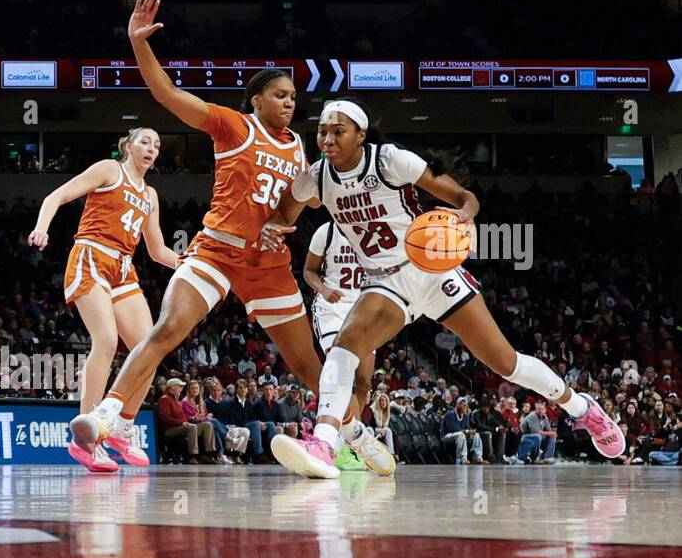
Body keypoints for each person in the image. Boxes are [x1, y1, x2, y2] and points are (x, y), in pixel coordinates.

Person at [68, 0, 392, 477]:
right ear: (257, 99)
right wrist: (138, 44)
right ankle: (107, 414)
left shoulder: (301, 147)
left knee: (308, 367)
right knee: (167, 330)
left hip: (269, 265)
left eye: (293, 97)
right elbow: (168, 96)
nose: (289, 101)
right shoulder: (233, 125)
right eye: (280, 94)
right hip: (217, 251)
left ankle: (352, 436)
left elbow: (307, 200)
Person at [260, 97, 624, 477]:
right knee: (344, 348)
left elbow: (463, 197)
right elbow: (285, 211)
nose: (327, 139)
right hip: (386, 282)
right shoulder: (316, 176)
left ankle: (582, 409)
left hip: (431, 269)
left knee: (505, 362)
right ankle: (323, 443)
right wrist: (272, 228)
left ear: (360, 135)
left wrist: (465, 217)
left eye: (338, 132)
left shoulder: (389, 161)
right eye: (322, 132)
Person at [28, 127, 179, 471]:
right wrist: (42, 227)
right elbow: (57, 196)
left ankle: (120, 429)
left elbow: (157, 252)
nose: (152, 148)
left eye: (157, 144)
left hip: (123, 268)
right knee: (107, 341)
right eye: (145, 141)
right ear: (128, 146)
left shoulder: (151, 195)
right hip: (91, 255)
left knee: (149, 350)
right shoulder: (110, 170)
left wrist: (187, 262)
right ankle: (86, 435)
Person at [303, 221, 371, 472]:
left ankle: (347, 437)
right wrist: (324, 288)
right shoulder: (326, 231)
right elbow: (308, 271)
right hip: (331, 308)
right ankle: (344, 446)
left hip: (363, 309)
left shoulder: (375, 231)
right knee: (342, 371)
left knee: (364, 382)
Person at [157, 377, 215, 463]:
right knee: (191, 427)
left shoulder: (176, 400)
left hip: (182, 426)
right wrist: (183, 423)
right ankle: (192, 457)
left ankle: (208, 454)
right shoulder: (165, 399)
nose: (182, 388)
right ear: (172, 388)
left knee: (207, 425)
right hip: (171, 429)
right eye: (179, 386)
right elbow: (165, 418)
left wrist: (192, 418)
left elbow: (183, 417)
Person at [440, 396, 484, 464]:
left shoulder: (465, 415)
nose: (466, 407)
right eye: (464, 405)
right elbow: (452, 428)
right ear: (458, 405)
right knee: (461, 435)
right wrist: (467, 431)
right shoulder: (450, 414)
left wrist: (472, 431)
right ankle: (462, 459)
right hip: (446, 435)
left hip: (459, 434)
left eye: (466, 405)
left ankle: (477, 458)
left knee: (476, 435)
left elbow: (467, 426)